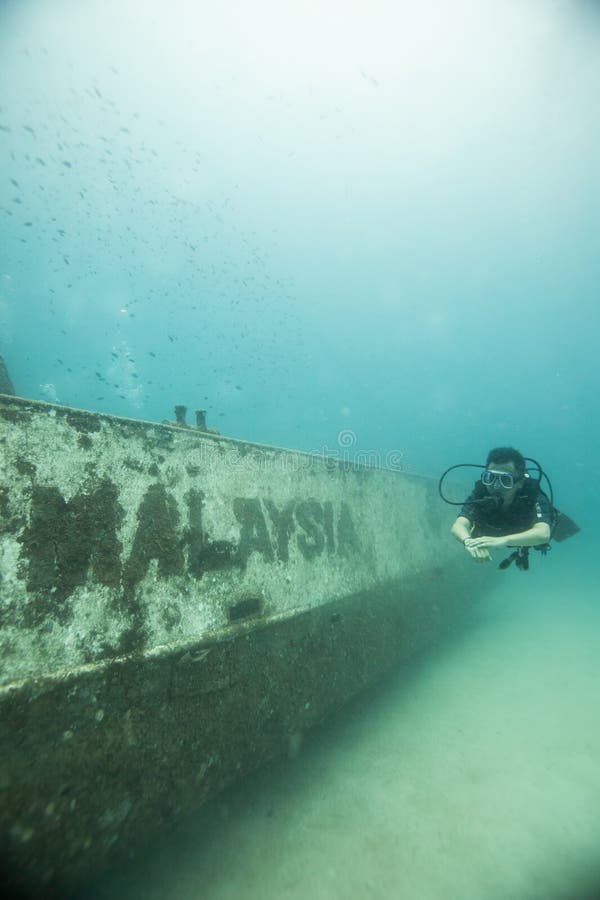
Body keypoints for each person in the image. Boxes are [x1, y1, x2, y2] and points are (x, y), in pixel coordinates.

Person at [450, 446, 553, 567]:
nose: (496, 486)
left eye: (505, 480)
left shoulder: (531, 494)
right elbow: (459, 525)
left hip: (521, 531)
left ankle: (522, 551)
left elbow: (543, 533)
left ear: (520, 483)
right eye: (490, 478)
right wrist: (467, 541)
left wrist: (503, 540)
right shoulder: (481, 491)